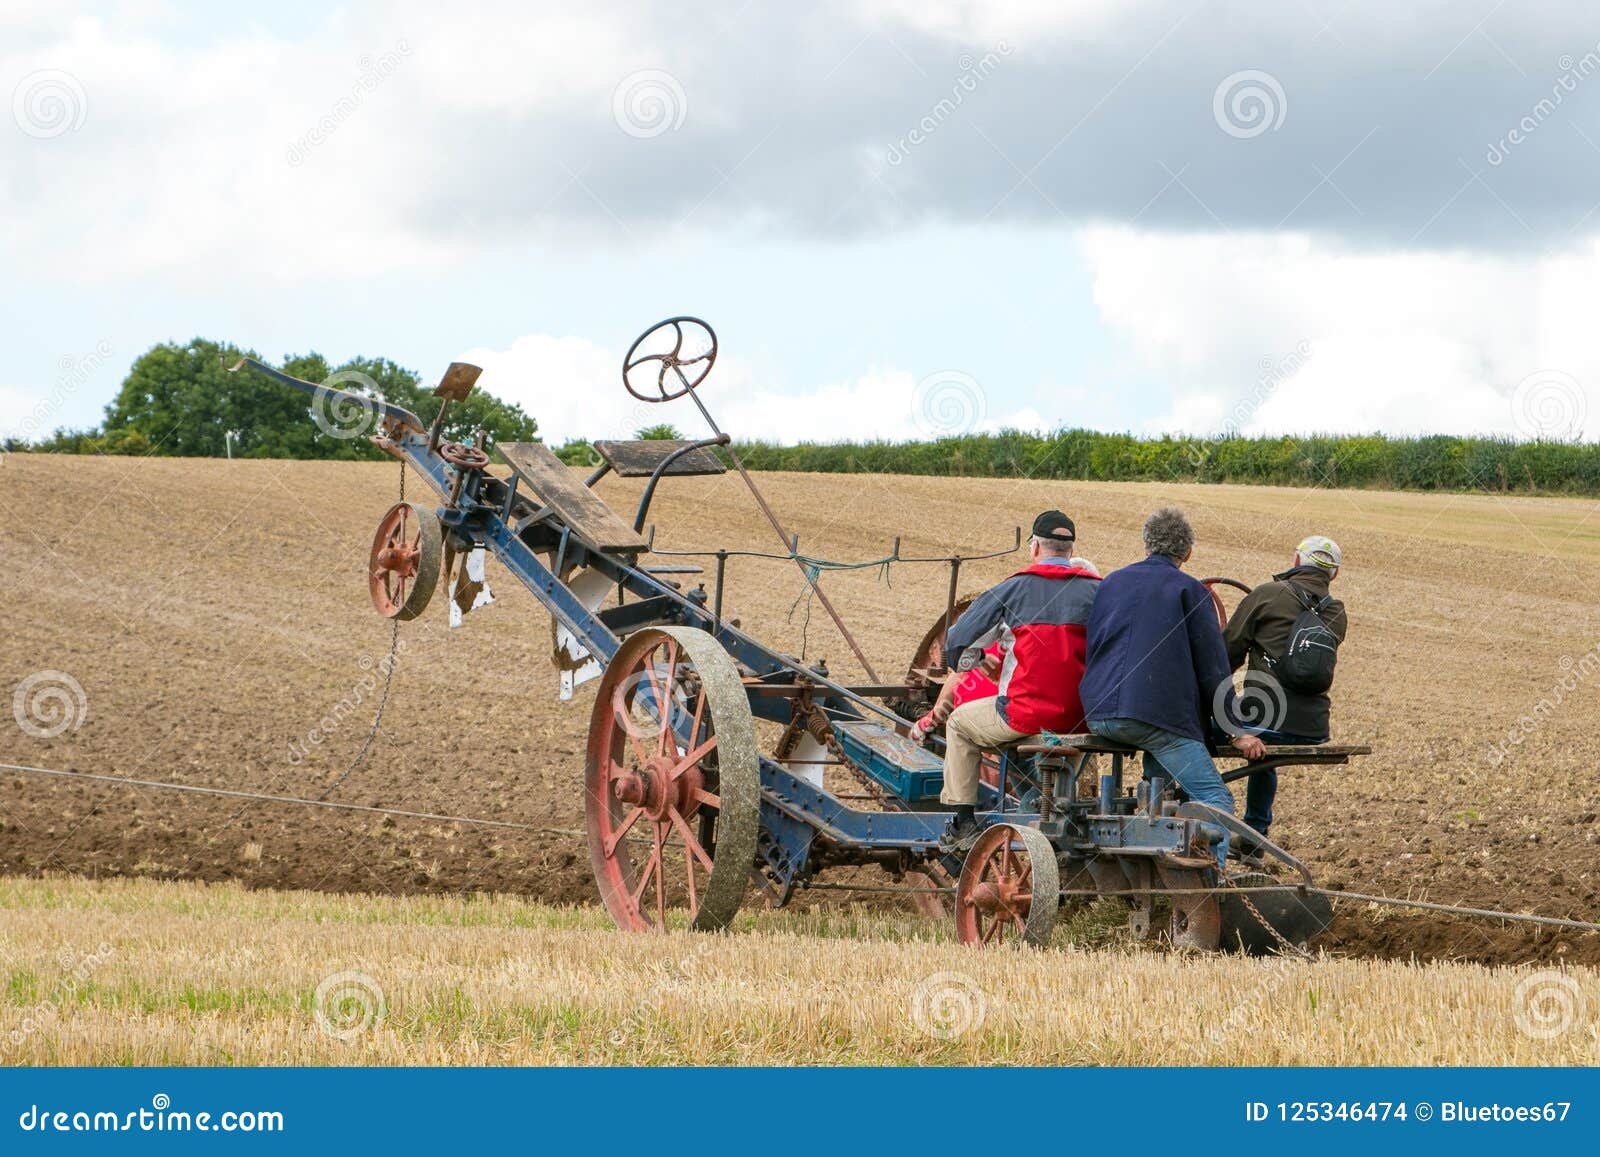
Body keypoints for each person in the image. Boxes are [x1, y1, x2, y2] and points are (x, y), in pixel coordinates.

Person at [1077, 507, 1264, 868]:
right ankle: (1212, 889)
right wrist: (1237, 731)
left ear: (1147, 544)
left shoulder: (1111, 582)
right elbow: (1214, 668)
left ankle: (1154, 871)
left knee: (1159, 786)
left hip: (1099, 713)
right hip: (1152, 717)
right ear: (1188, 552)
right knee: (1215, 799)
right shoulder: (1189, 590)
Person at [933, 512, 1102, 850]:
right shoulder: (1100, 590)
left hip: (1025, 715)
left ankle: (963, 820)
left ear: (1035, 547)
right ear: (1071, 550)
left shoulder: (1011, 589)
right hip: (1084, 718)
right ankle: (1047, 807)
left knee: (959, 725)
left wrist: (976, 660)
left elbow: (956, 642)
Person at [1222, 535, 1348, 842]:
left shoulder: (1267, 595)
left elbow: (1226, 654)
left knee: (1187, 732)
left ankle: (1192, 815)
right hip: (1313, 728)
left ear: (1295, 562)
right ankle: (1254, 836)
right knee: (1263, 754)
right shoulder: (1336, 612)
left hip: (1263, 721)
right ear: (1334, 574)